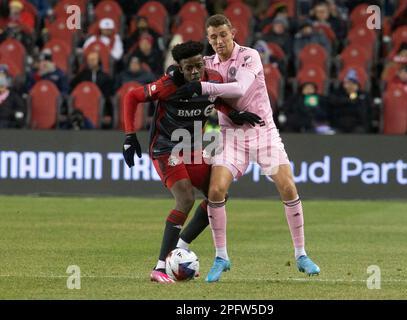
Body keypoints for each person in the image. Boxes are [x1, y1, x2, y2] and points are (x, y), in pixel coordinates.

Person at [173, 14, 320, 282]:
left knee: (287, 186)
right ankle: (221, 257)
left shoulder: (249, 55)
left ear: (233, 33)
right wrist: (175, 72)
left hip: (263, 133)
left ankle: (301, 254)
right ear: (209, 39)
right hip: (230, 136)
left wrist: (200, 86)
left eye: (223, 35)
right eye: (213, 37)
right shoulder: (207, 64)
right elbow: (180, 74)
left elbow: (239, 89)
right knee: (216, 191)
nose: (219, 41)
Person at [122, 41, 261, 284]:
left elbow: (216, 99)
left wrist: (233, 114)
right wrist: (129, 136)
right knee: (185, 199)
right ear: (179, 67)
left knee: (218, 197)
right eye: (189, 68)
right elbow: (131, 97)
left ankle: (181, 247)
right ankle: (160, 267)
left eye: (198, 65)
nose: (195, 71)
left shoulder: (213, 79)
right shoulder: (167, 85)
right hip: (166, 148)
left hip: (194, 147)